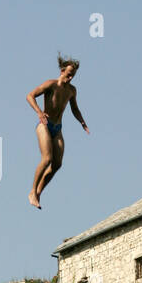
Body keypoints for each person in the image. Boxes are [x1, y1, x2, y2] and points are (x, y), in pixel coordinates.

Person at [26, 56, 90, 207]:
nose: (70, 77)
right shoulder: (51, 84)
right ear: (62, 71)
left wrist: (82, 122)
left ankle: (39, 192)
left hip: (58, 128)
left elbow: (75, 108)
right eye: (68, 74)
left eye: (73, 75)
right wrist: (39, 112)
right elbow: (30, 96)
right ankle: (32, 192)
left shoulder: (72, 91)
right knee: (47, 159)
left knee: (57, 164)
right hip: (44, 125)